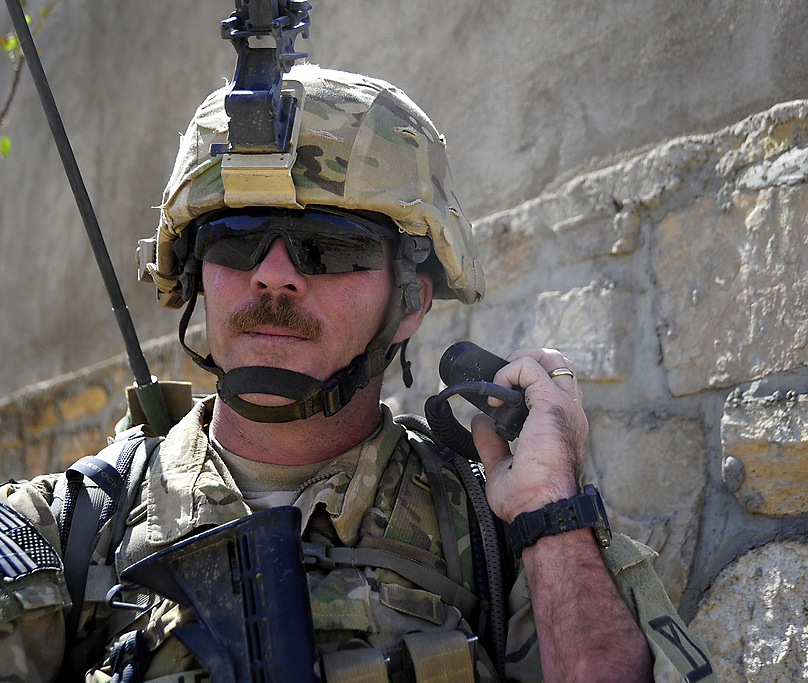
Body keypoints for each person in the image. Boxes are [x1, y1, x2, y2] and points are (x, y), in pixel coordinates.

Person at [0, 64, 716, 682]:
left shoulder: (494, 532)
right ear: (196, 276)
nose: (273, 275)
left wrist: (550, 516)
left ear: (409, 303)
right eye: (236, 239)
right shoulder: (58, 533)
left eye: (328, 247)